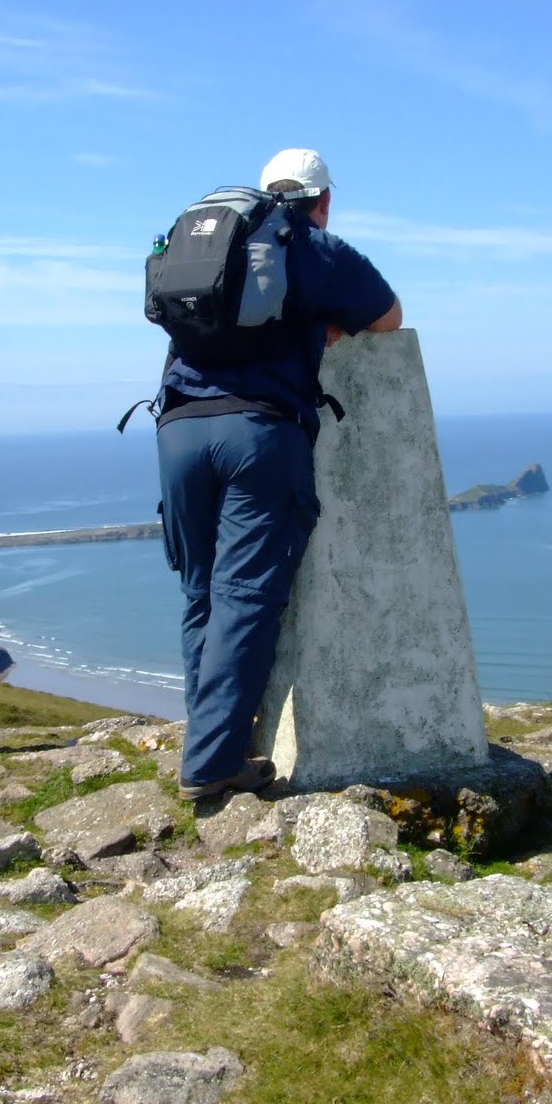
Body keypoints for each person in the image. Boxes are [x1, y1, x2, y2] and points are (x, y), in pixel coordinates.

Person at [156, 148, 402, 800]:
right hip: (258, 433)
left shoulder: (217, 245)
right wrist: (327, 323)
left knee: (202, 591)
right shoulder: (311, 246)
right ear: (323, 201)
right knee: (245, 595)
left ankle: (212, 740)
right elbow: (389, 317)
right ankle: (211, 763)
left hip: (178, 426)